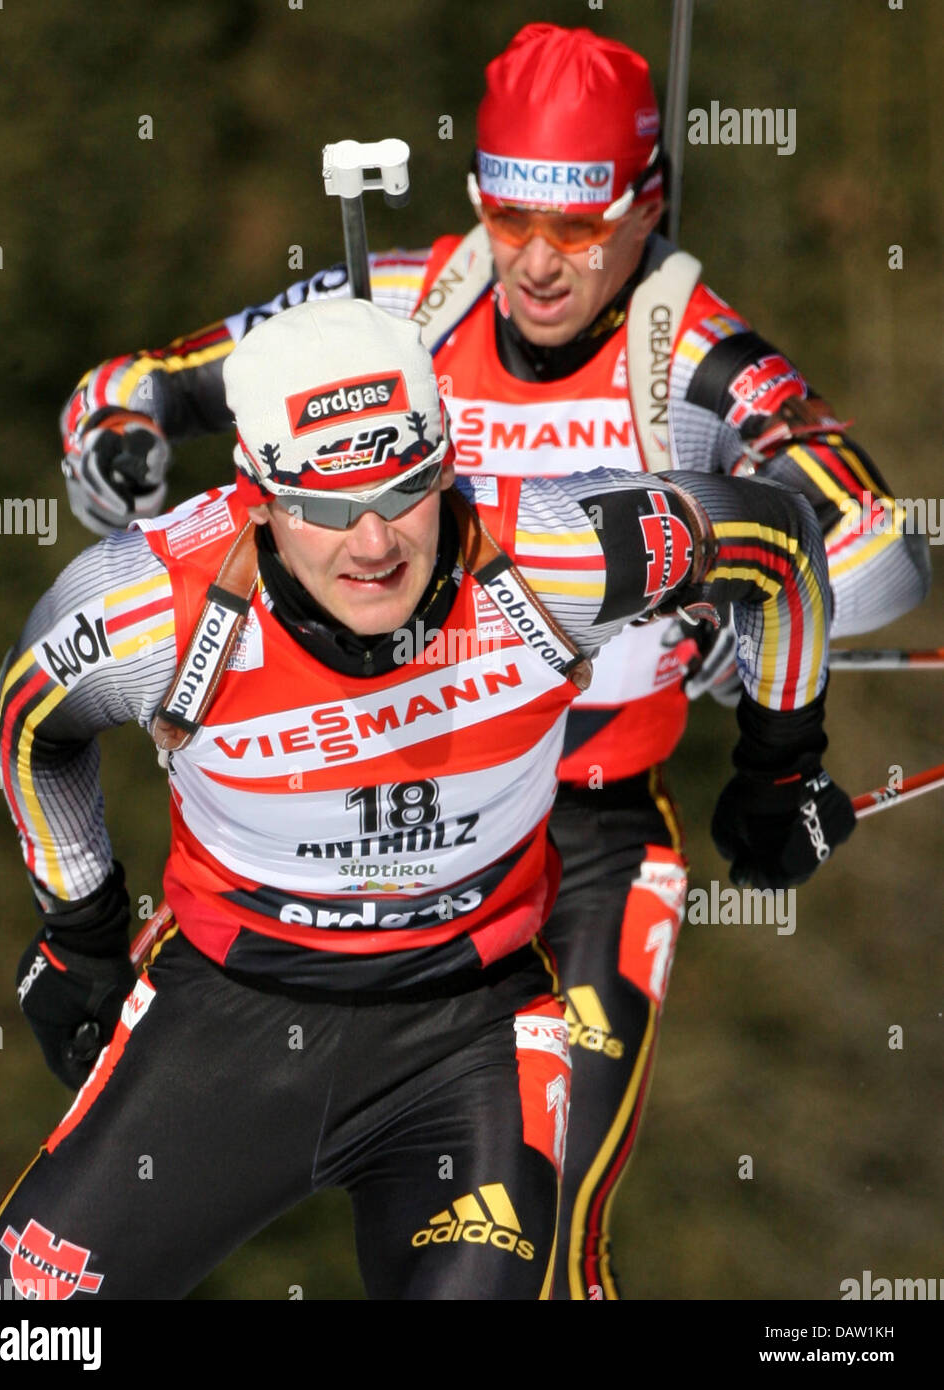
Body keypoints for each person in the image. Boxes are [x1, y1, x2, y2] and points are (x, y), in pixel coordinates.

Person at [55, 25, 930, 1299]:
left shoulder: (689, 354)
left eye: (576, 231)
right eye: (508, 213)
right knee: (88, 1229)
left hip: (580, 841)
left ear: (648, 205)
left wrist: (726, 631)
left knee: (546, 1219)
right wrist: (119, 445)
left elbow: (873, 541)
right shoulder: (403, 300)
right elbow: (129, 386)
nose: (532, 262)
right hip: (347, 816)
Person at [0, 298, 855, 1302]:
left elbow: (772, 546)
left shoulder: (556, 553)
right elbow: (33, 715)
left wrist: (781, 763)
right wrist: (79, 922)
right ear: (255, 495)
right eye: (328, 505)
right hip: (222, 1025)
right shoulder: (147, 609)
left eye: (406, 488)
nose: (375, 541)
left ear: (447, 461)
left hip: (465, 1035)